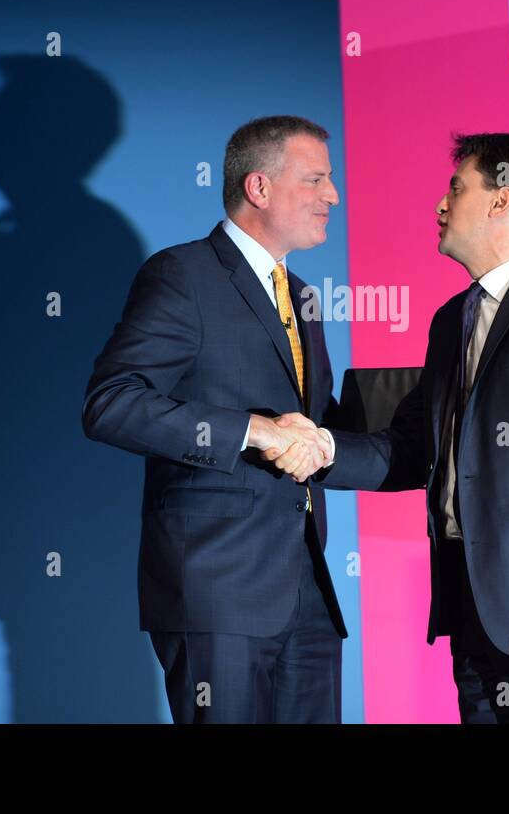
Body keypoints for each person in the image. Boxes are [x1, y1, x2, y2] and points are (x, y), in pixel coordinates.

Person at [270, 132, 509, 723]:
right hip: (471, 619)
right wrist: (317, 448)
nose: (439, 205)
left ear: (502, 200)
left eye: (456, 187)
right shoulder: (452, 320)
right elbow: (410, 450)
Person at [82, 115, 347, 723]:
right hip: (218, 590)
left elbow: (314, 425)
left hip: (307, 592)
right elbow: (111, 403)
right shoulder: (184, 275)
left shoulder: (302, 295)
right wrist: (255, 431)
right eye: (315, 180)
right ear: (259, 188)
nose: (332, 196)